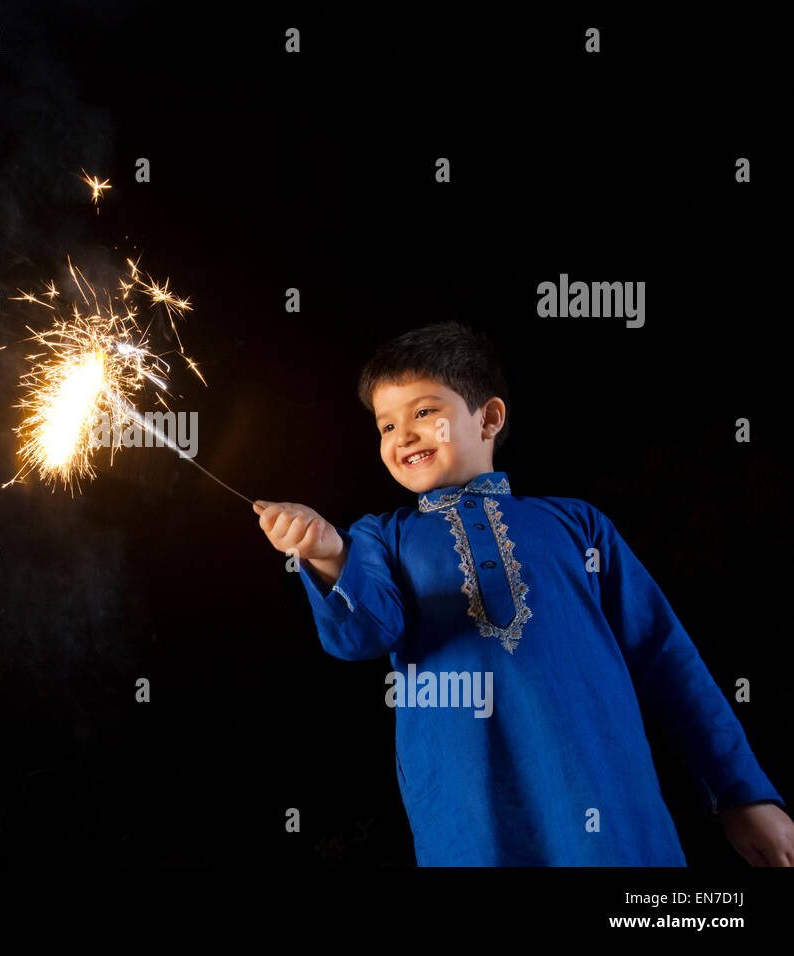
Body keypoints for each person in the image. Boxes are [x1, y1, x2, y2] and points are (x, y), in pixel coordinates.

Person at [254, 320, 792, 865]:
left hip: (608, 805)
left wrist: (741, 793)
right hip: (468, 819)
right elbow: (366, 634)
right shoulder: (378, 537)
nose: (402, 436)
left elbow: (668, 661)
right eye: (385, 424)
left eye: (422, 412)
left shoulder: (577, 525)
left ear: (487, 418)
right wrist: (326, 555)